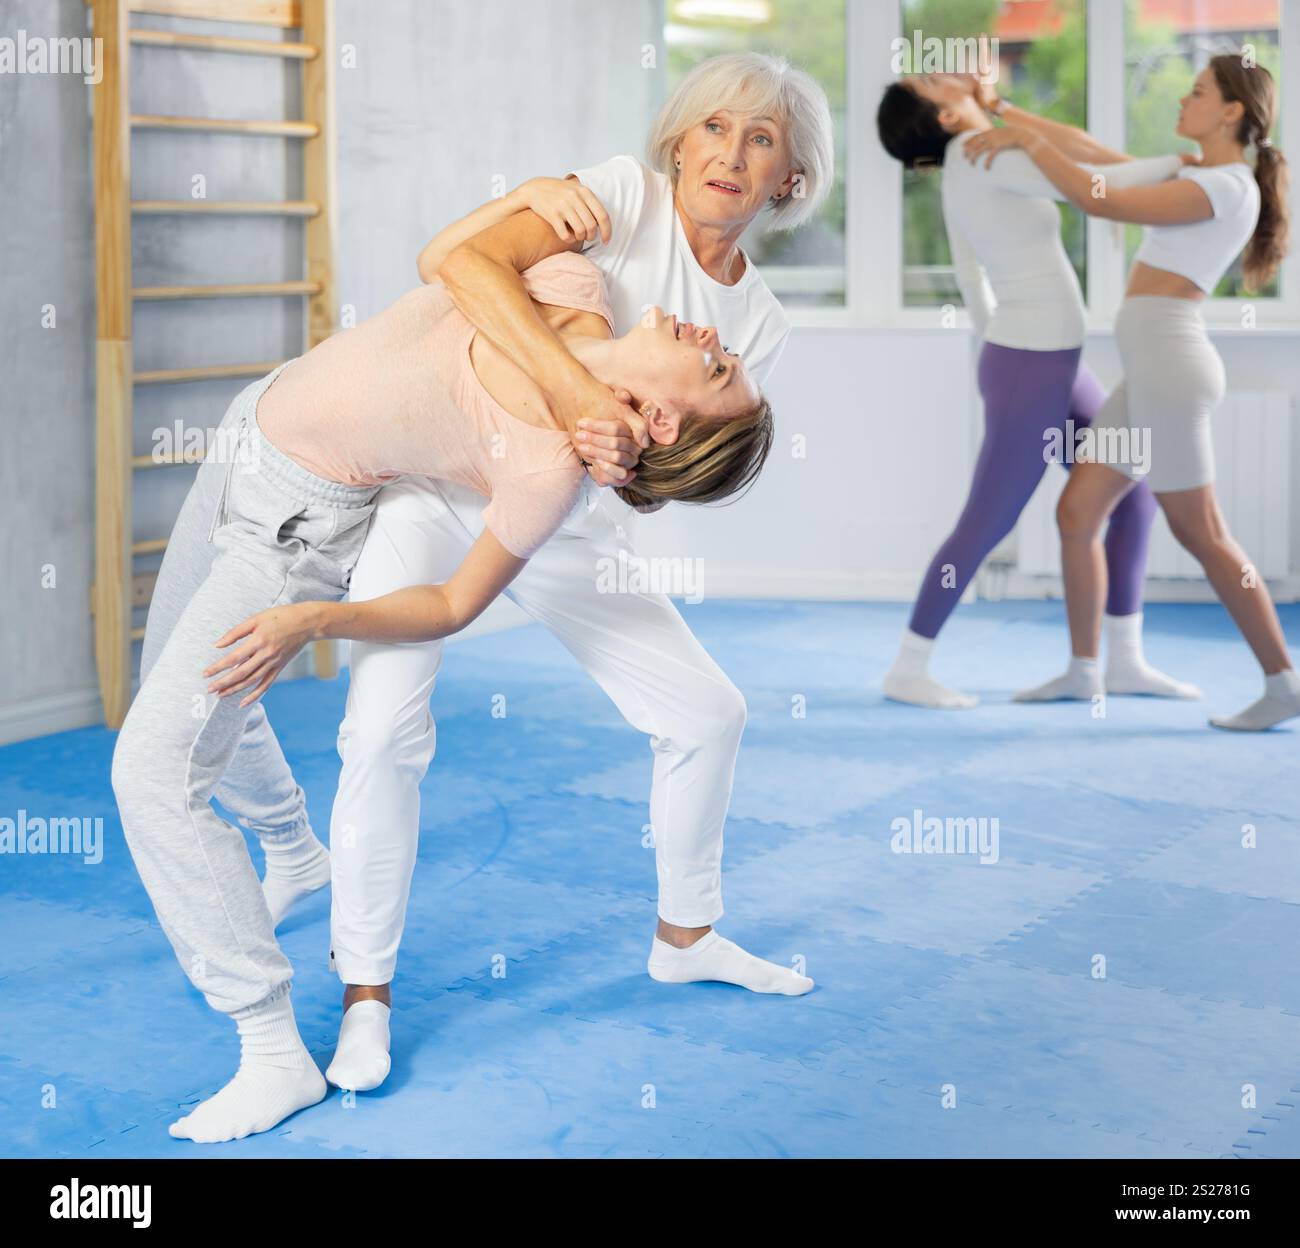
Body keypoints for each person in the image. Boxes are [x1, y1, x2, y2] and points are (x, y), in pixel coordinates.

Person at [111, 242, 770, 1144]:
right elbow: (454, 257)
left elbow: (454, 603)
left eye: (717, 367)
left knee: (151, 773)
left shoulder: (547, 474)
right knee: (173, 698)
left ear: (659, 418)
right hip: (245, 435)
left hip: (291, 531)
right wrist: (545, 221)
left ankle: (270, 1050)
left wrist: (313, 624)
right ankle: (293, 849)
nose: (711, 336)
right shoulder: (569, 285)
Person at [311, 52, 835, 1094]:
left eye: (761, 139)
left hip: (565, 517)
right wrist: (573, 401)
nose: (730, 153)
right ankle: (364, 993)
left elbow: (675, 466)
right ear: (677, 146)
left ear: (789, 179)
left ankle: (684, 936)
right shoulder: (618, 195)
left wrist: (621, 460)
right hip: (440, 483)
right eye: (713, 129)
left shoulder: (759, 323)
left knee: (707, 713)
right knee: (380, 728)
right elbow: (459, 269)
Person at [966, 54, 1298, 730]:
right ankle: (1087, 669)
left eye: (1199, 91)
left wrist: (1024, 143)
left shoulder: (1230, 187)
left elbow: (1099, 197)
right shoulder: (1194, 169)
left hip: (1172, 374)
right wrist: (1005, 110)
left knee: (1201, 532)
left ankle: (1282, 679)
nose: (1185, 97)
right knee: (1078, 511)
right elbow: (1094, 157)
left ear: (1232, 112)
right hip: (1147, 373)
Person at [875, 72, 1197, 709]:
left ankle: (1118, 661)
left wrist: (994, 351)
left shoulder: (982, 153)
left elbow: (972, 275)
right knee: (988, 521)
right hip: (1031, 364)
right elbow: (1092, 185)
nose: (948, 71)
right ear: (943, 117)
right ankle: (909, 666)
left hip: (1042, 361)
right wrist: (1181, 166)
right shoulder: (981, 153)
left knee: (1129, 492)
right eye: (933, 80)